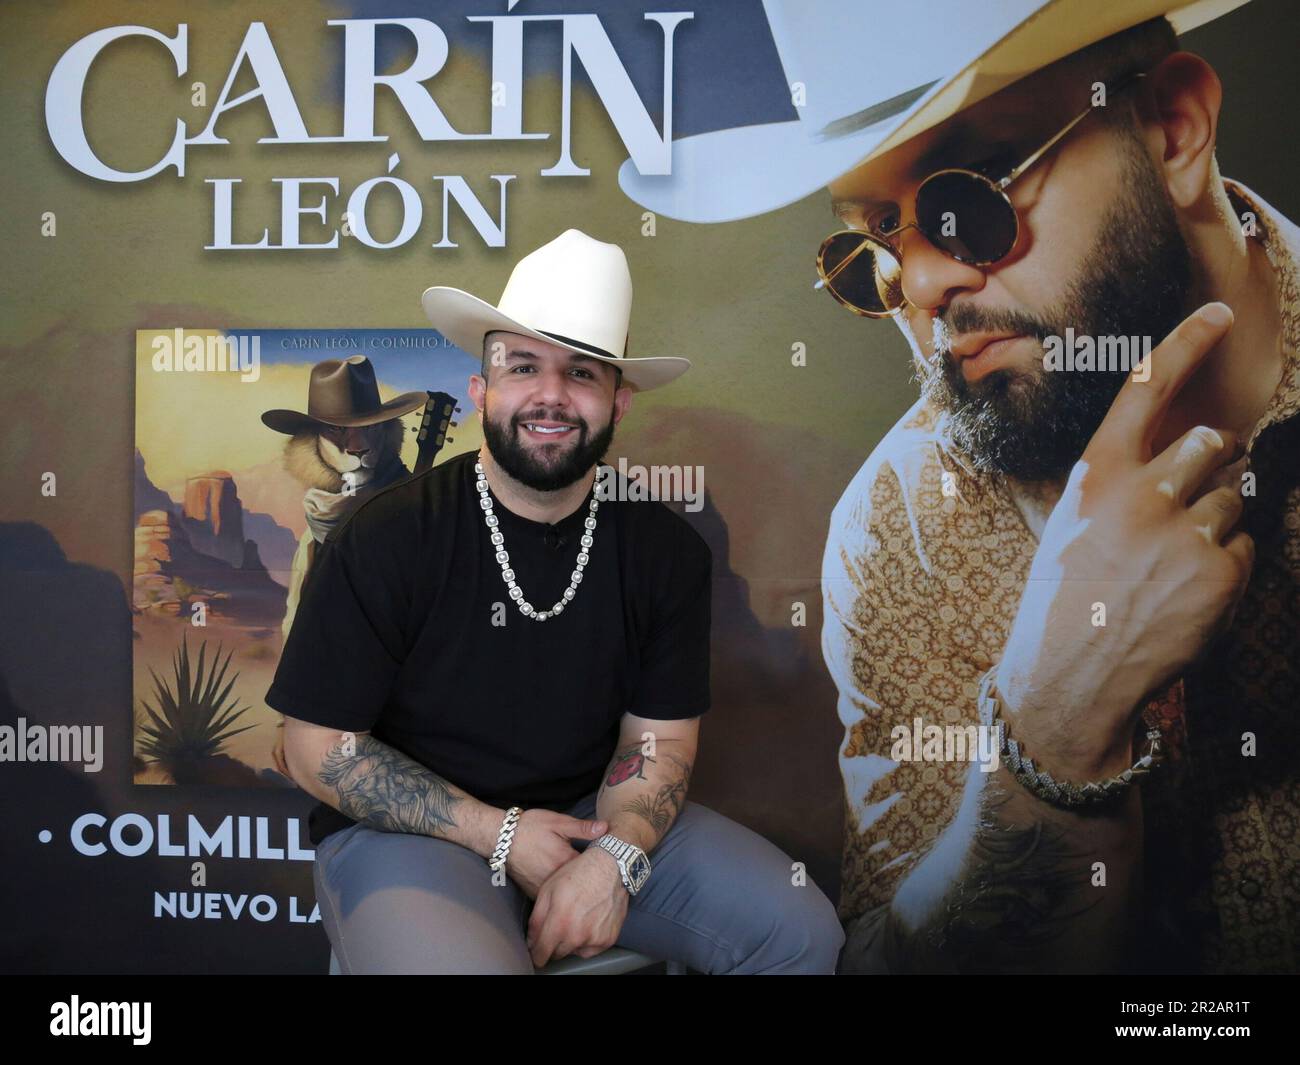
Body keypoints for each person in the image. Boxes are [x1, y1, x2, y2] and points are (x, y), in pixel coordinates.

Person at [619, 0, 1297, 972]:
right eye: (880, 241)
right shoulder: (904, 525)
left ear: (1173, 128)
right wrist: (1054, 730)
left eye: (966, 197)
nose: (924, 283)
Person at [266, 228, 843, 974]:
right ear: (482, 391)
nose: (550, 394)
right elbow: (317, 750)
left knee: (799, 932)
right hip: (409, 834)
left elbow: (656, 745)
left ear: (618, 402)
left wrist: (611, 861)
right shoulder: (387, 536)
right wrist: (497, 833)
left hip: (591, 819)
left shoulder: (663, 552)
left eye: (582, 373)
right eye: (524, 366)